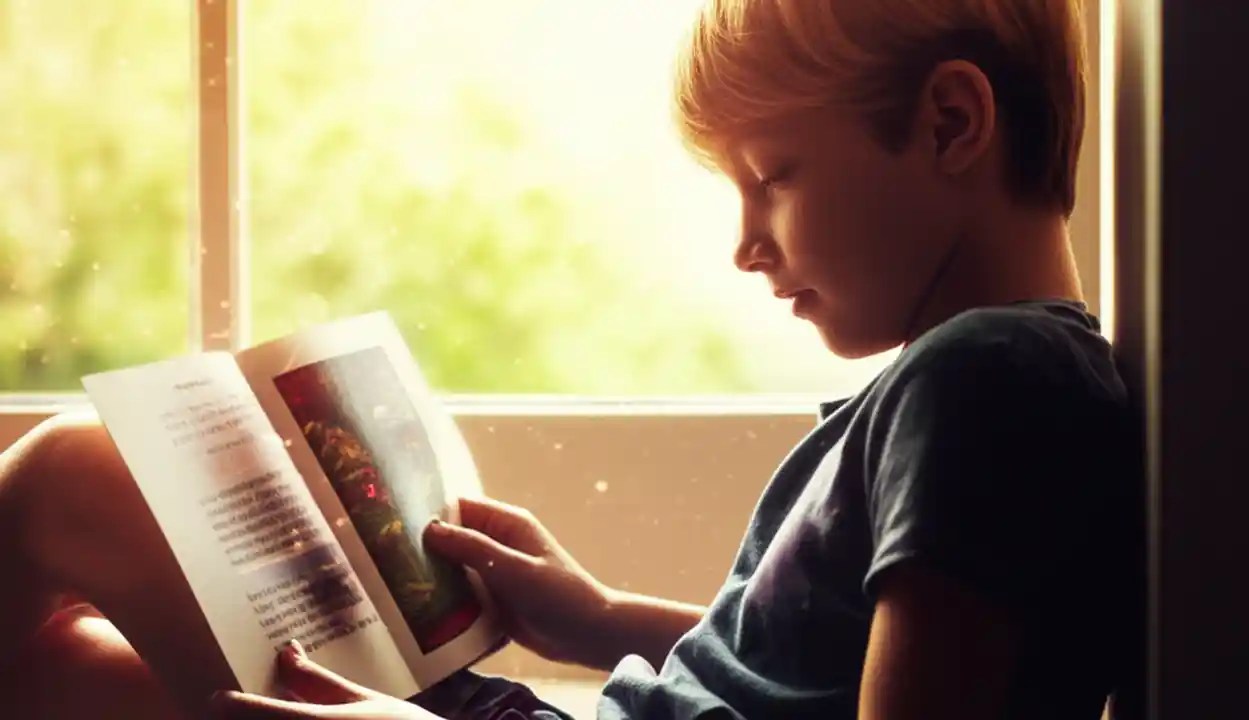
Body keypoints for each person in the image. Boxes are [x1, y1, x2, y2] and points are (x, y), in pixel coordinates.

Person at [0, 0, 1141, 717]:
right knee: (59, 662)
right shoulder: (986, 379)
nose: (746, 244)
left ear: (949, 124)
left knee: (61, 484)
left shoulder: (988, 379)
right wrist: (598, 620)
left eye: (772, 176)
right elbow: (797, 672)